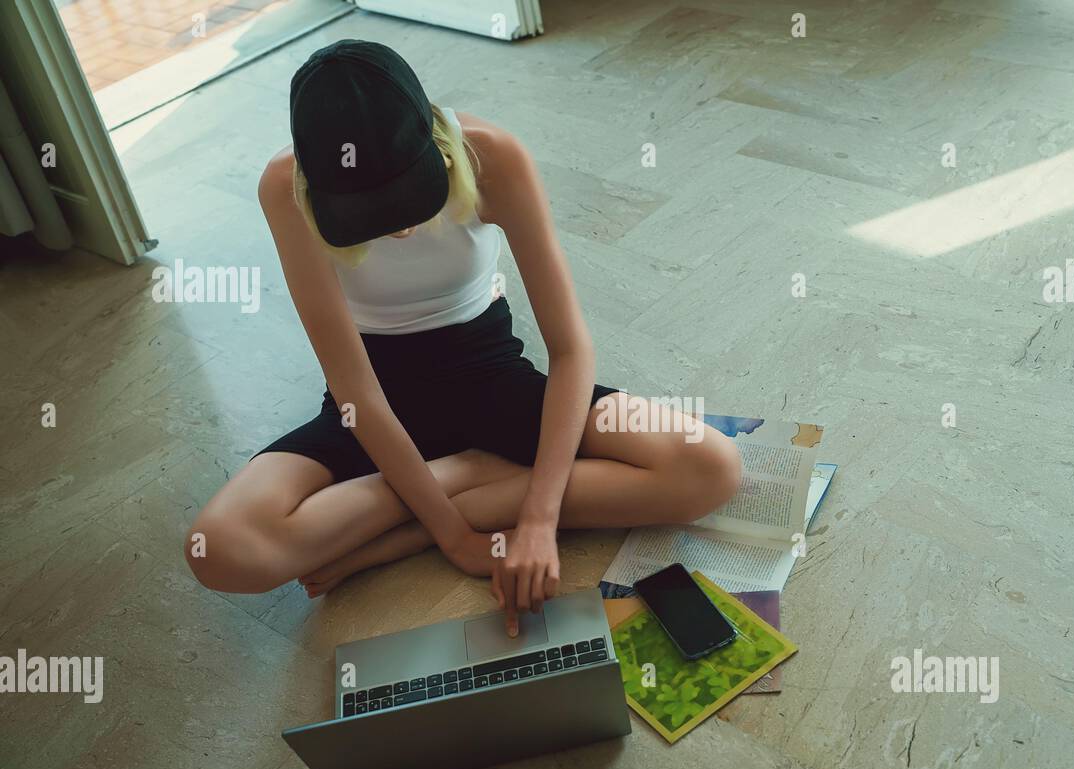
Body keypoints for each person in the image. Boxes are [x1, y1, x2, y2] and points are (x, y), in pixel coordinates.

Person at [184, 40, 741, 634]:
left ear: (435, 143)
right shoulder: (285, 187)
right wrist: (455, 538)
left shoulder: (491, 155)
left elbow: (572, 349)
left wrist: (538, 520)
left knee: (711, 469)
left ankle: (401, 531)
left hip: (490, 374)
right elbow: (356, 392)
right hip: (373, 400)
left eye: (407, 199)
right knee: (219, 551)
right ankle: (464, 474)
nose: (398, 227)